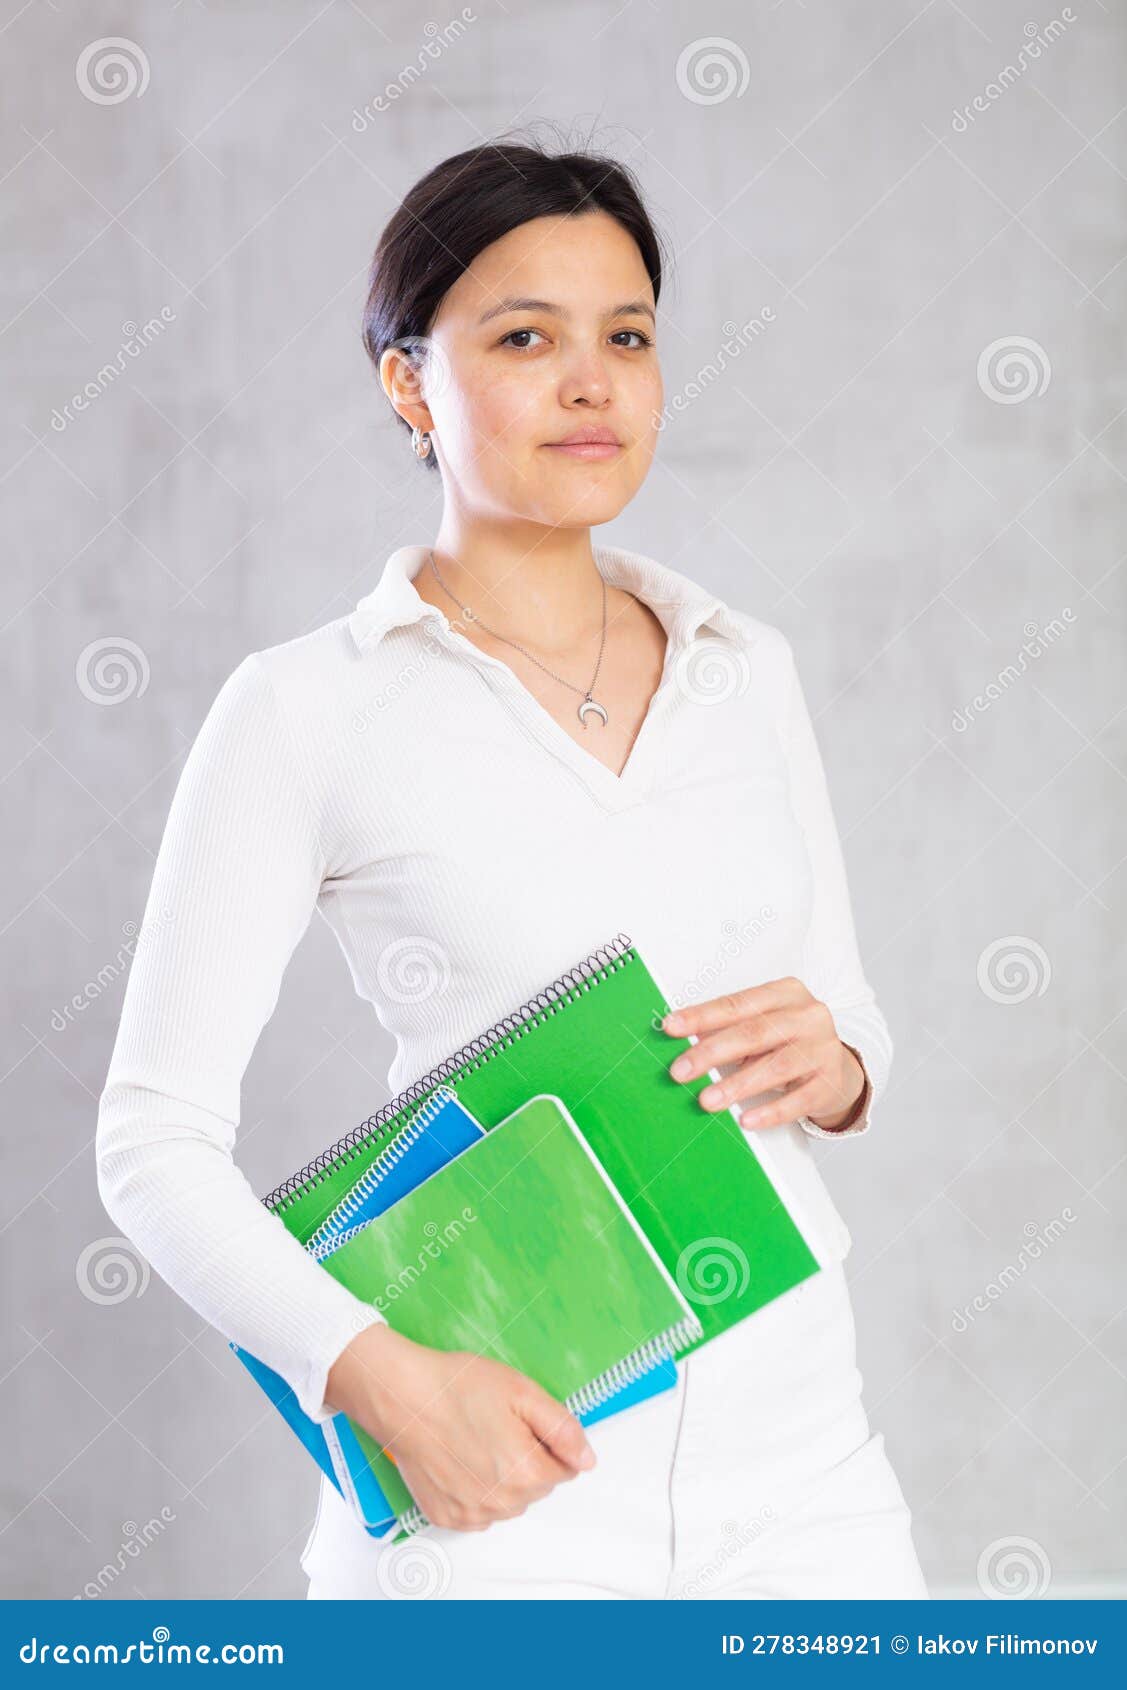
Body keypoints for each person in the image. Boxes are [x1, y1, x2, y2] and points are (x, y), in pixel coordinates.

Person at [95, 135, 929, 1601]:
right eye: (525, 337)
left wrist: (843, 1061)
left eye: (628, 337)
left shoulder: (750, 670)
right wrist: (382, 1379)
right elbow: (150, 1145)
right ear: (408, 383)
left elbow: (849, 1014)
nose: (592, 381)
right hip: (505, 1478)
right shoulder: (306, 710)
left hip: (811, 1474)